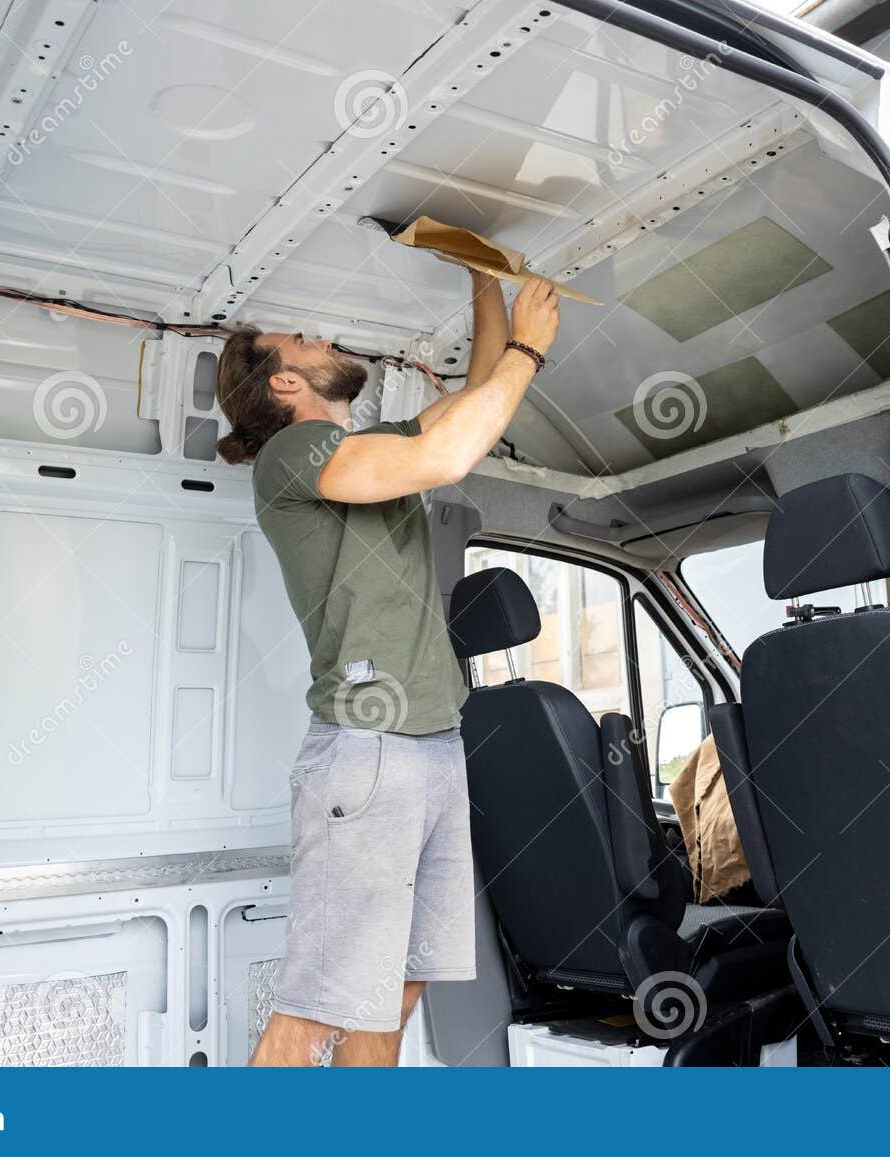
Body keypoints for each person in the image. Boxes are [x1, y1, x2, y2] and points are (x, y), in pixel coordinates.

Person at [214, 269, 560, 1066]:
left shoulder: (367, 450)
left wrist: (483, 277)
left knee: (395, 991)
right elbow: (449, 455)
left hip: (430, 743)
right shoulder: (294, 451)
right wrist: (531, 351)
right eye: (305, 341)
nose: (325, 340)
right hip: (368, 751)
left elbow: (474, 398)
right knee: (315, 1012)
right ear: (286, 382)